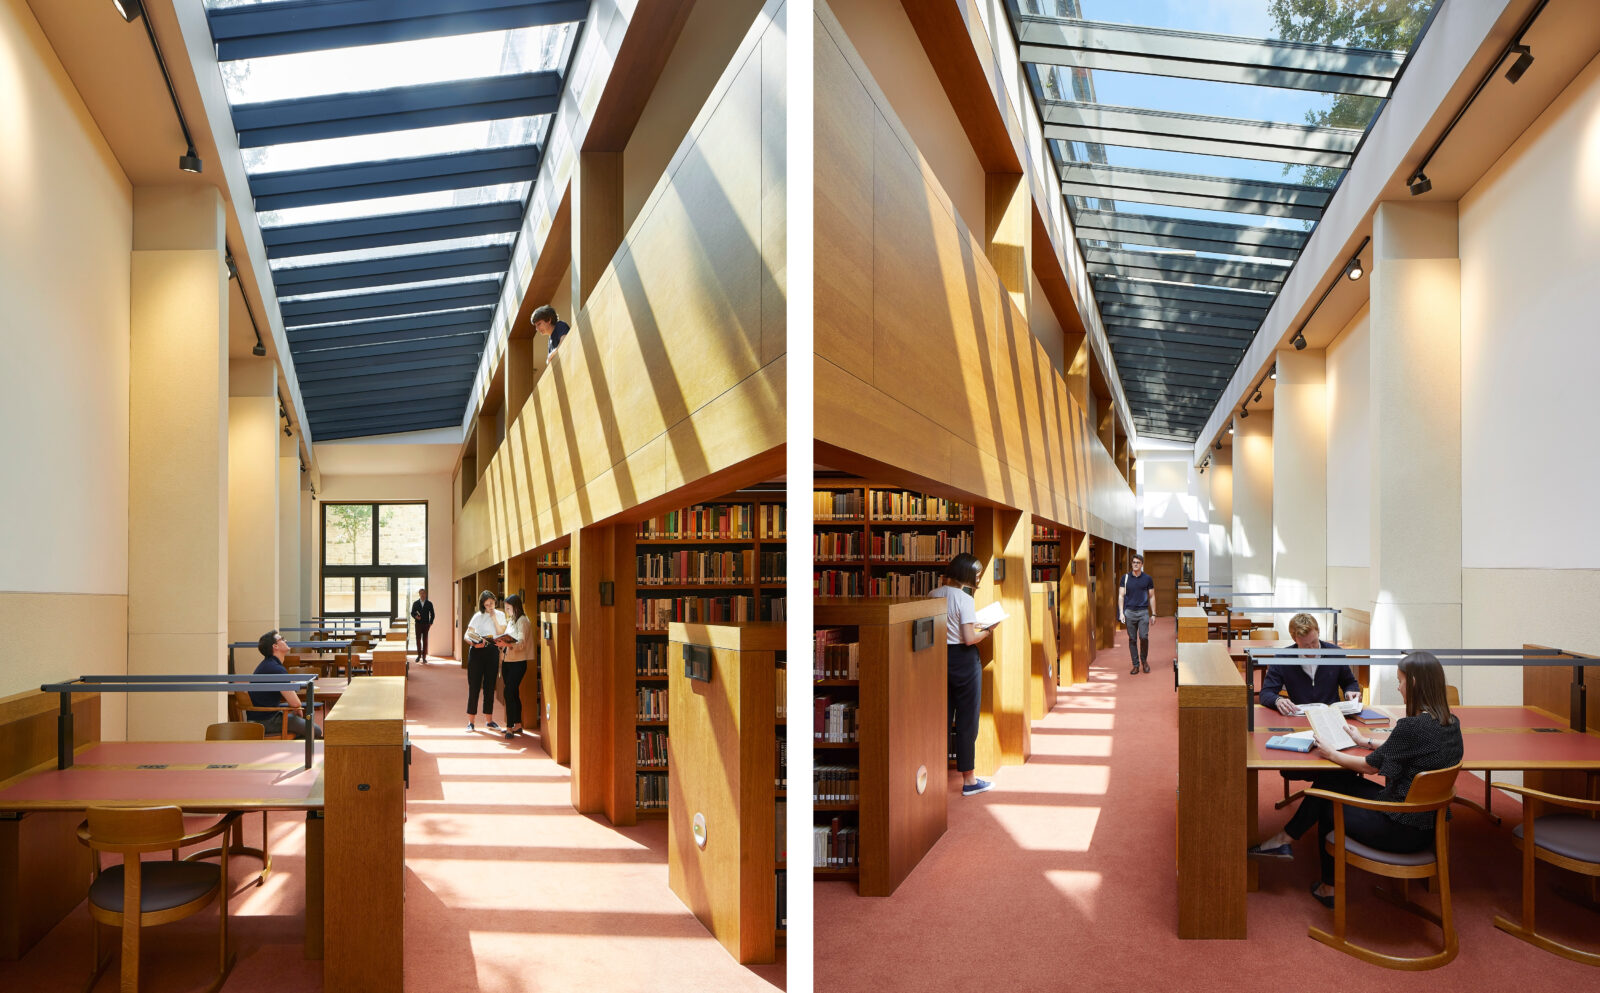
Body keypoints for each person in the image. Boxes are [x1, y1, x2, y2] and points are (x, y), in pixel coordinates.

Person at [1247, 652, 1463, 908]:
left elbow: (1368, 768)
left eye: (1400, 681)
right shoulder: (1450, 722)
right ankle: (1284, 840)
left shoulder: (1412, 727)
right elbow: (1401, 747)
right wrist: (1364, 741)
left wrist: (1331, 753)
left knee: (1328, 801)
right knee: (1334, 782)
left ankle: (1329, 888)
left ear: (1414, 684)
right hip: (1427, 823)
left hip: (1401, 827)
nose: (1398, 687)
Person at [929, 553, 996, 797]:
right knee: (967, 720)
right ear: (967, 574)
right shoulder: (965, 599)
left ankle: (934, 777)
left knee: (941, 719)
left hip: (937, 659)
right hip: (964, 661)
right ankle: (969, 780)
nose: (978, 577)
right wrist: (988, 631)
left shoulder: (934, 595)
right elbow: (969, 639)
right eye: (976, 573)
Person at [1259, 612, 1360, 715]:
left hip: (1331, 715)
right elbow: (1266, 693)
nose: (1311, 649)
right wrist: (1277, 700)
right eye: (1306, 646)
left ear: (1318, 632)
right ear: (1295, 639)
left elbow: (1349, 682)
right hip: (1299, 716)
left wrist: (1350, 691)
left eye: (1314, 642)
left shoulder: (1336, 653)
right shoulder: (1282, 658)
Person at [249, 631, 323, 740]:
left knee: (302, 726)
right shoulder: (276, 669)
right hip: (268, 720)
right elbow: (295, 703)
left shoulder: (267, 665)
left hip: (259, 717)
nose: (286, 640)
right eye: (282, 639)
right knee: (315, 731)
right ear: (275, 646)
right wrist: (297, 709)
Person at [463, 590, 506, 732]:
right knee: (474, 686)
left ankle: (489, 720)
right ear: (482, 604)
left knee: (489, 686)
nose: (490, 607)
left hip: (492, 651)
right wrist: (474, 643)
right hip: (476, 651)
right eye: (487, 605)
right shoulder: (477, 616)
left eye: (492, 603)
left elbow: (501, 633)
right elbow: (467, 635)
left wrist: (494, 618)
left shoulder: (500, 615)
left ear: (495, 601)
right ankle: (471, 722)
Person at [499, 594, 533, 739]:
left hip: (518, 663)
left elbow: (522, 642)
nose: (506, 610)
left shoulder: (523, 621)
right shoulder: (511, 621)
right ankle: (518, 724)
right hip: (507, 661)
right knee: (513, 693)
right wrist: (501, 642)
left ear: (516, 607)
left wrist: (508, 644)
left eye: (508, 607)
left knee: (508, 692)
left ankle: (509, 726)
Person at [1118, 553, 1156, 675]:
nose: (1135, 564)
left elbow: (1152, 596)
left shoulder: (1147, 579)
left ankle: (1144, 661)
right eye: (1134, 562)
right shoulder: (1125, 578)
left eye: (1138, 563)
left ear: (1142, 565)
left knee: (1144, 637)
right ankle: (1135, 665)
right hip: (1129, 612)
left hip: (1143, 612)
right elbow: (1120, 596)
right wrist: (1121, 613)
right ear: (1132, 563)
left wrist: (1154, 613)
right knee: (1132, 639)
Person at [410, 587, 435, 664]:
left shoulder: (429, 603)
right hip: (418, 624)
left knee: (425, 640)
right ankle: (418, 655)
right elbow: (412, 613)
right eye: (421, 593)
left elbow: (433, 614)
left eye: (423, 593)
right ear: (419, 594)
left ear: (426, 594)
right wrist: (415, 616)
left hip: (426, 624)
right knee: (418, 640)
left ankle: (424, 657)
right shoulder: (415, 603)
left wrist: (430, 623)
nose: (422, 595)